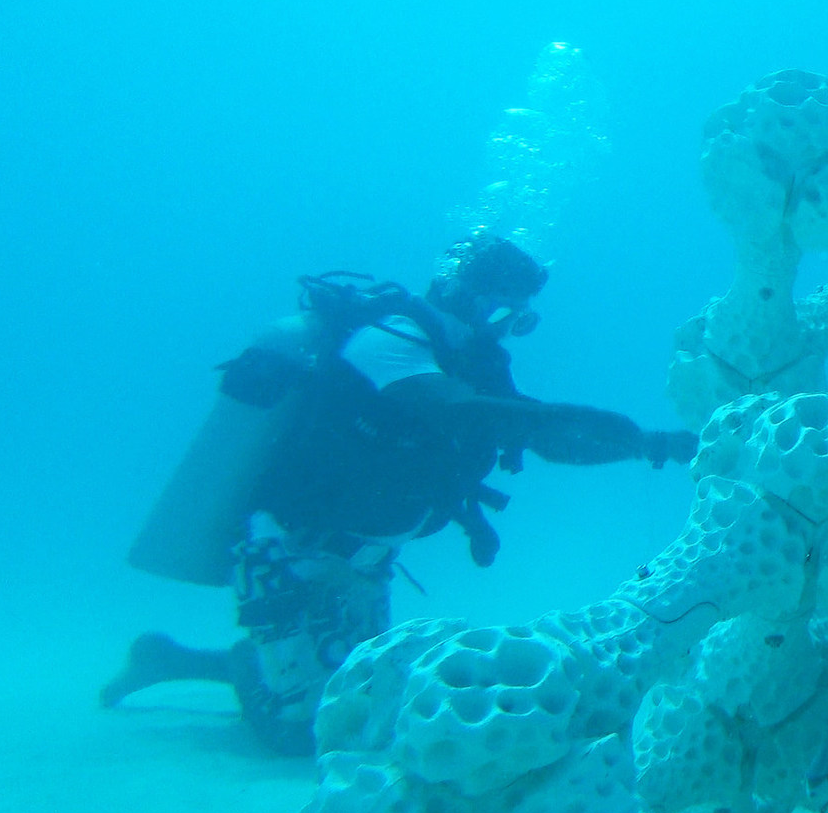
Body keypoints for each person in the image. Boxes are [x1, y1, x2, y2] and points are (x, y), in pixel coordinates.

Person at [104, 234, 698, 753]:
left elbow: (535, 438)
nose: (507, 327)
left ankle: (203, 662)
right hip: (295, 548)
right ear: (473, 297)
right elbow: (462, 415)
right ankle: (189, 660)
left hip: (370, 556)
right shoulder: (388, 338)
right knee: (301, 732)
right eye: (509, 311)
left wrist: (649, 445)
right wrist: (624, 433)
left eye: (518, 317)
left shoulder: (476, 360)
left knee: (361, 701)